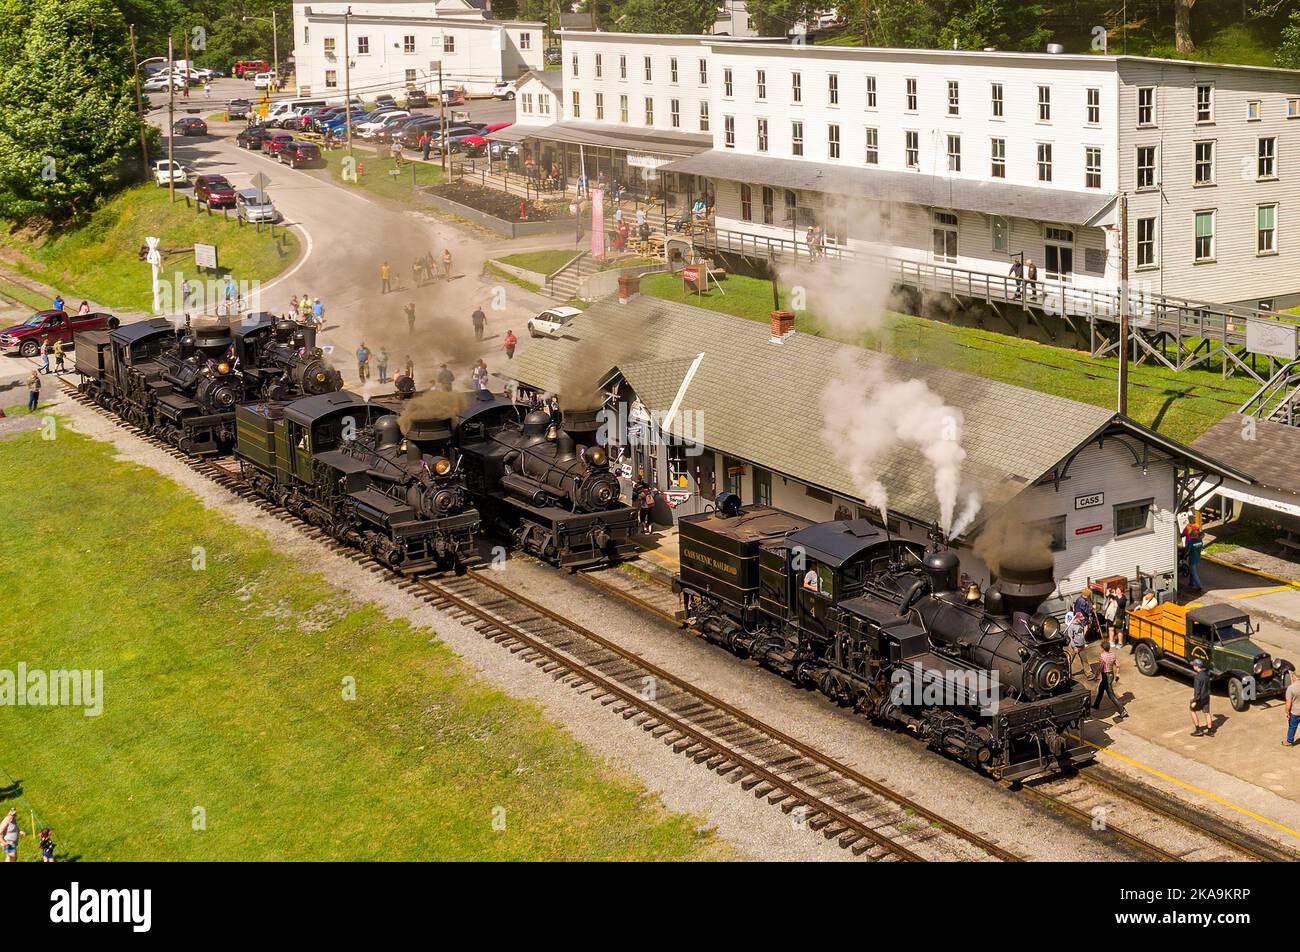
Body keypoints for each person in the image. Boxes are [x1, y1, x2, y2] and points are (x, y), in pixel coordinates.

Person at [1092, 641, 1128, 719]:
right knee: (1100, 689)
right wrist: (1118, 674)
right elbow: (1118, 665)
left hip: (1105, 676)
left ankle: (1122, 711)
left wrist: (1096, 676)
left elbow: (1100, 667)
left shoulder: (1102, 656)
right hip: (1111, 675)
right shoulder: (1112, 654)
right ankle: (1096, 705)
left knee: (1111, 695)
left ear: (1102, 648)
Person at [1065, 611, 1094, 681]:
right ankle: (1066, 675)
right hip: (1074, 647)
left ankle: (1089, 673)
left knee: (1084, 660)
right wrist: (1074, 647)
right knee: (1069, 661)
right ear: (1076, 618)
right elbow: (1070, 638)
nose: (1082, 620)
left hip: (1082, 646)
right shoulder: (1071, 626)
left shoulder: (1080, 623)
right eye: (1080, 619)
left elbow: (1081, 633)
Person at [1190, 658, 1213, 735]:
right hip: (1207, 697)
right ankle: (1210, 731)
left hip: (1200, 698)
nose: (1193, 666)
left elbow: (1197, 692)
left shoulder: (1197, 678)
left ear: (1197, 666)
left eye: (1194, 665)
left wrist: (1194, 701)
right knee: (1207, 713)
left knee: (1192, 710)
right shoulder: (1207, 675)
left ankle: (1198, 730)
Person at [1183, 523, 1205, 591]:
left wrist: (1185, 555)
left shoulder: (1190, 542)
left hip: (1192, 558)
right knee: (1192, 570)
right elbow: (1201, 548)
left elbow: (1187, 550)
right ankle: (1191, 582)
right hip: (1197, 557)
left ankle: (1199, 585)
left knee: (1193, 572)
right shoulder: (1200, 541)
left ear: (1191, 536)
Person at [1284, 670, 1300, 747]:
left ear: (1294, 677)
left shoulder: (1291, 688)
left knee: (1292, 727)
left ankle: (1289, 742)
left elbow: (1288, 703)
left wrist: (1287, 713)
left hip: (1295, 712)